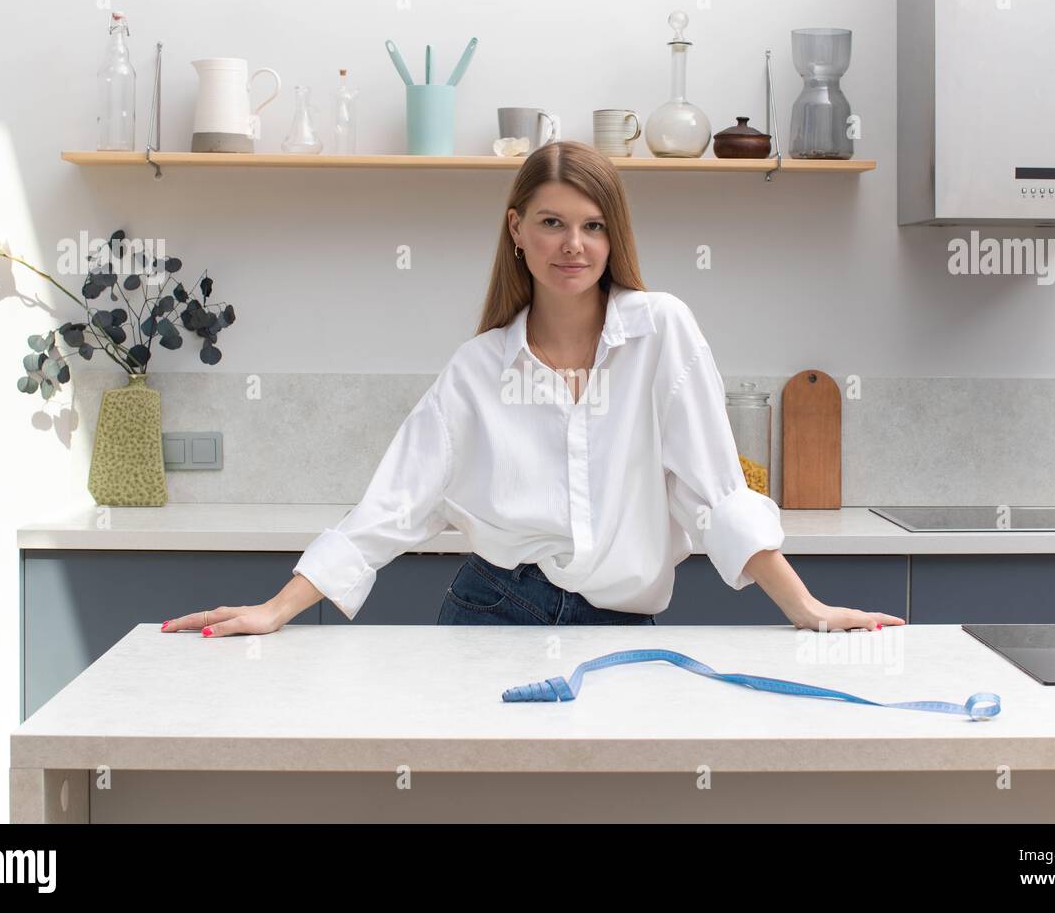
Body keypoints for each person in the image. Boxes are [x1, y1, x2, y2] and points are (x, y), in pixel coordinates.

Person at [163, 141, 904, 636]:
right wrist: (275, 609)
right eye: (551, 223)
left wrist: (808, 611)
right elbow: (393, 505)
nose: (573, 245)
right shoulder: (478, 369)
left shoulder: (661, 331)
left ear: (613, 238)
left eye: (592, 225)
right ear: (517, 230)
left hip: (619, 625)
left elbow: (714, 494)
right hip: (492, 612)